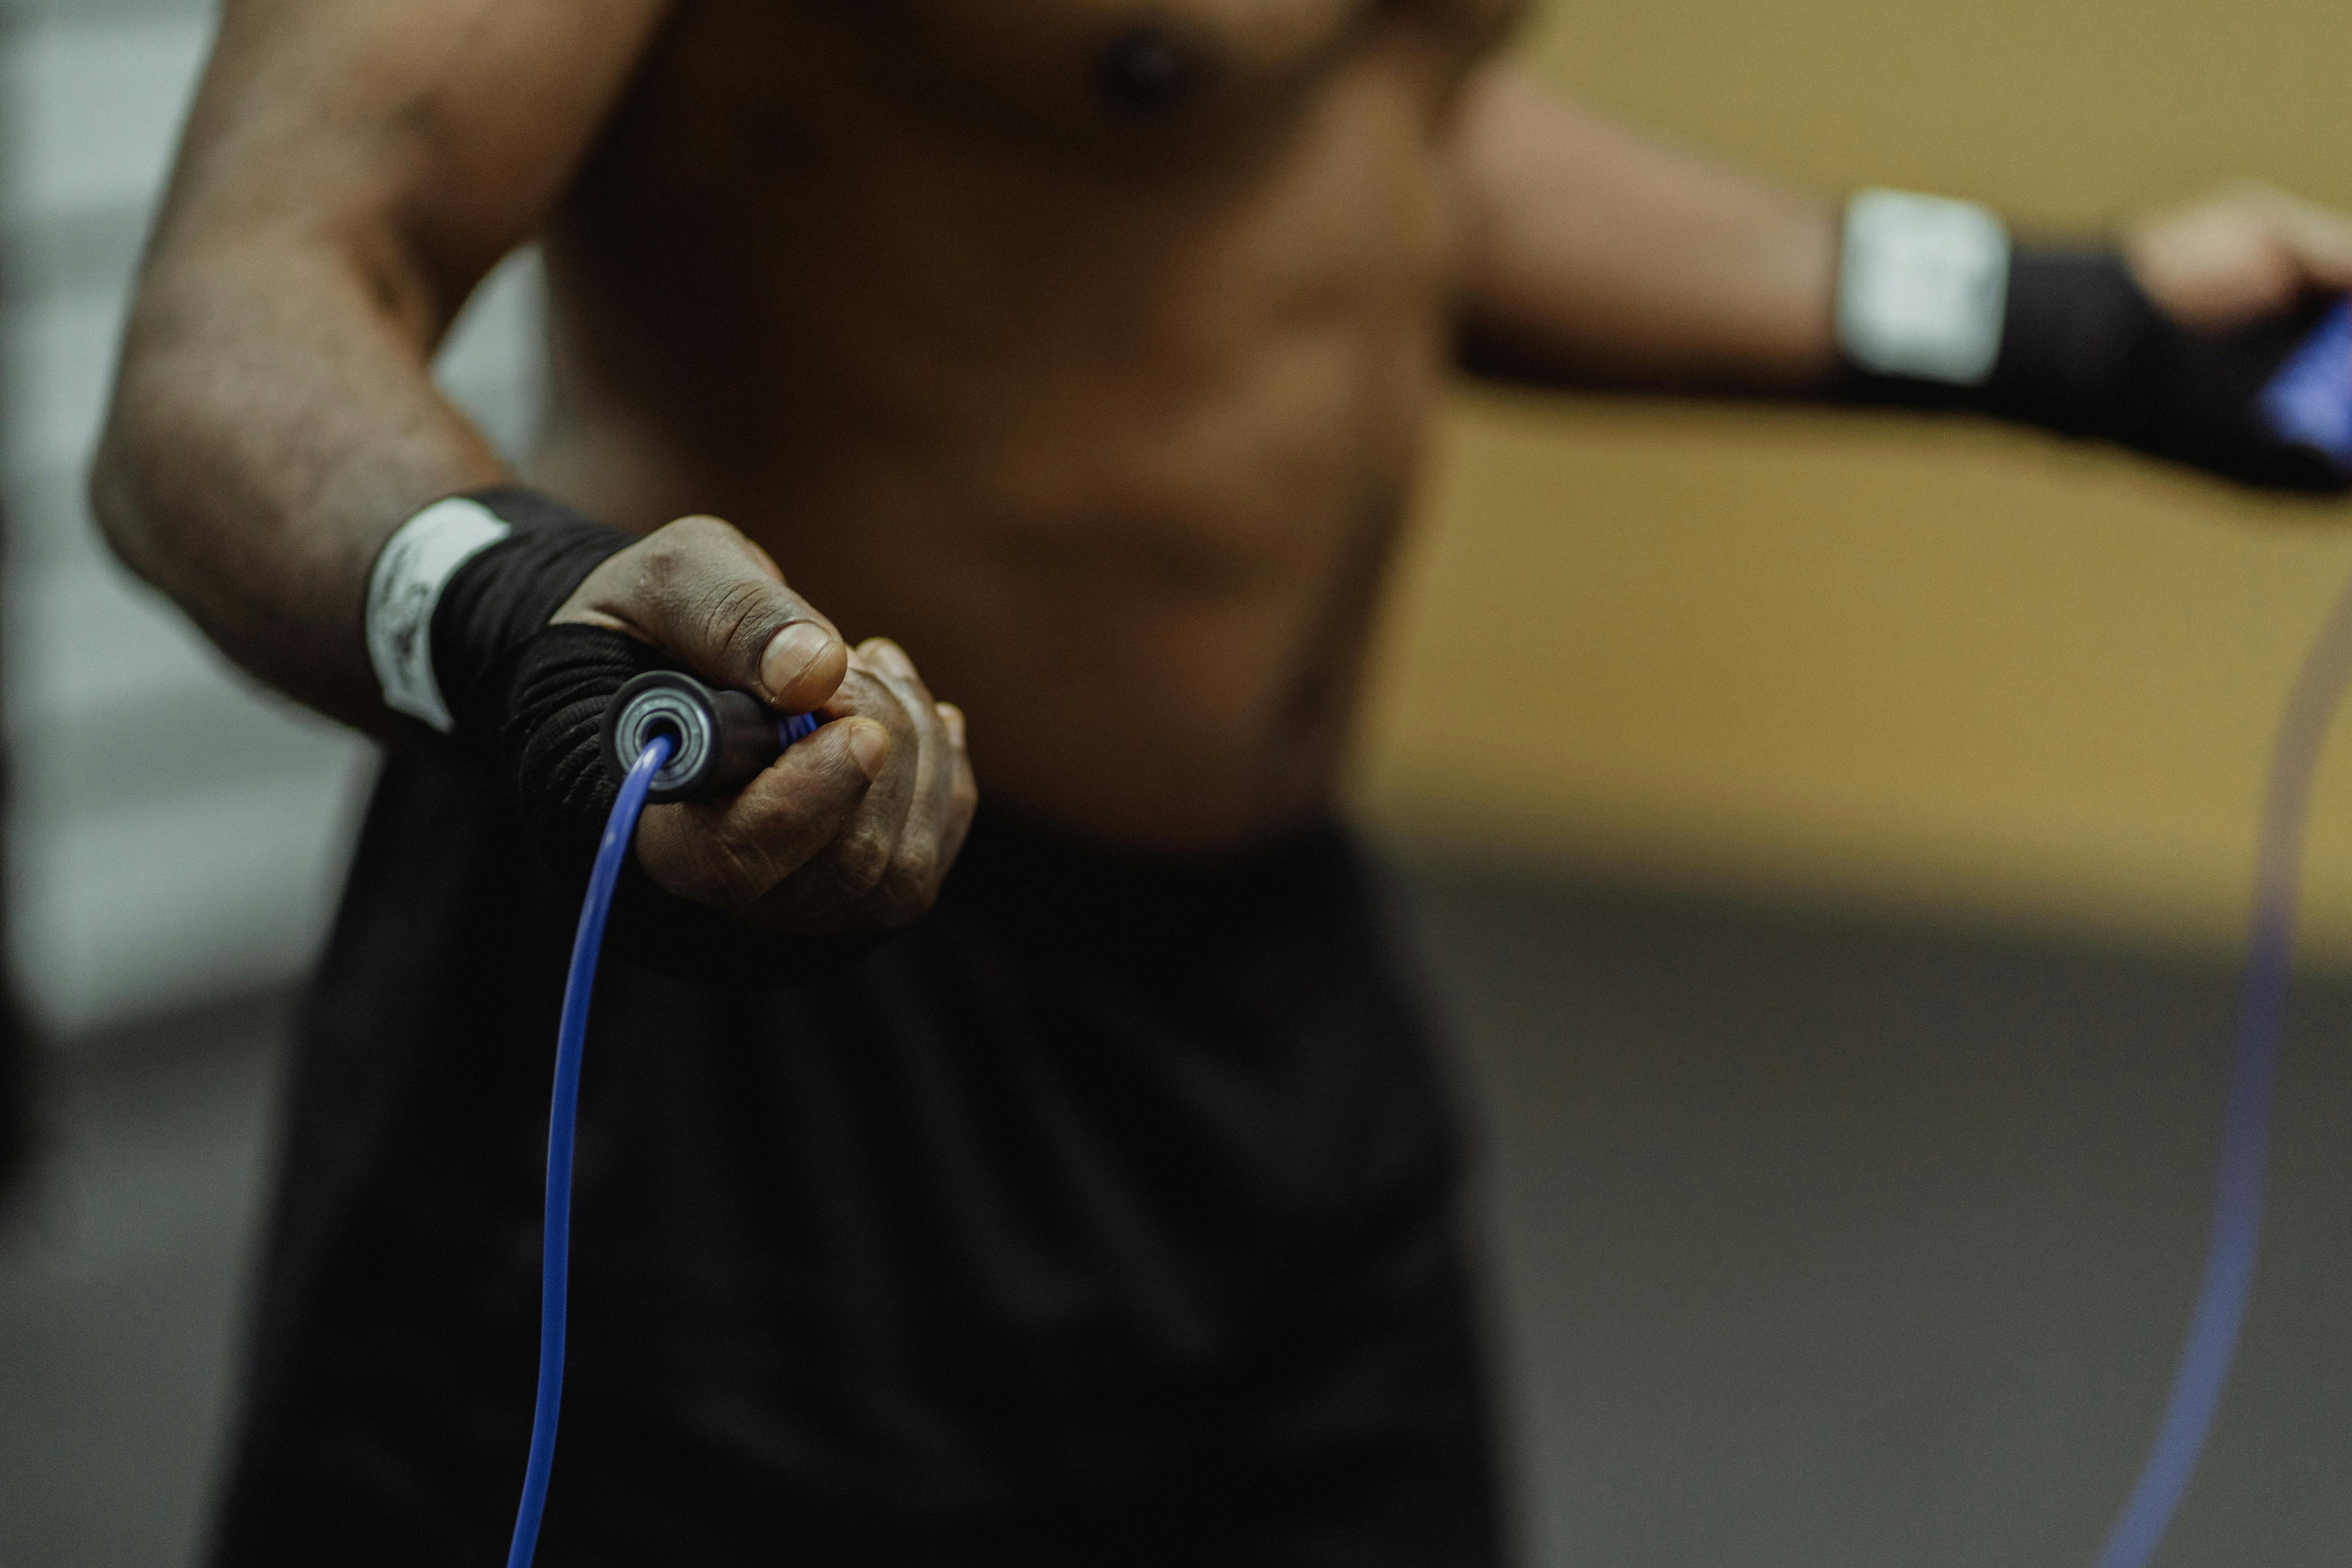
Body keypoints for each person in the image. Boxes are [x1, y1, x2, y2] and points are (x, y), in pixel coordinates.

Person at [91, 2, 2352, 1563]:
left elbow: (1367, 125)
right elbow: (232, 327)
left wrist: (2061, 323)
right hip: (736, 1012)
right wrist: (517, 630)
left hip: (1255, 1012)